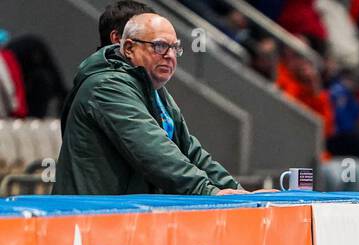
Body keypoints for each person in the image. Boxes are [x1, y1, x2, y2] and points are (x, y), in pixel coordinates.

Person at [55, 13, 243, 195]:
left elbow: (190, 150)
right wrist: (208, 192)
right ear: (129, 48)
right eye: (160, 46)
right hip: (84, 219)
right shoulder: (106, 86)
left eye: (174, 48)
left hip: (120, 217)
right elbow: (155, 151)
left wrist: (239, 192)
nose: (170, 55)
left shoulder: (155, 90)